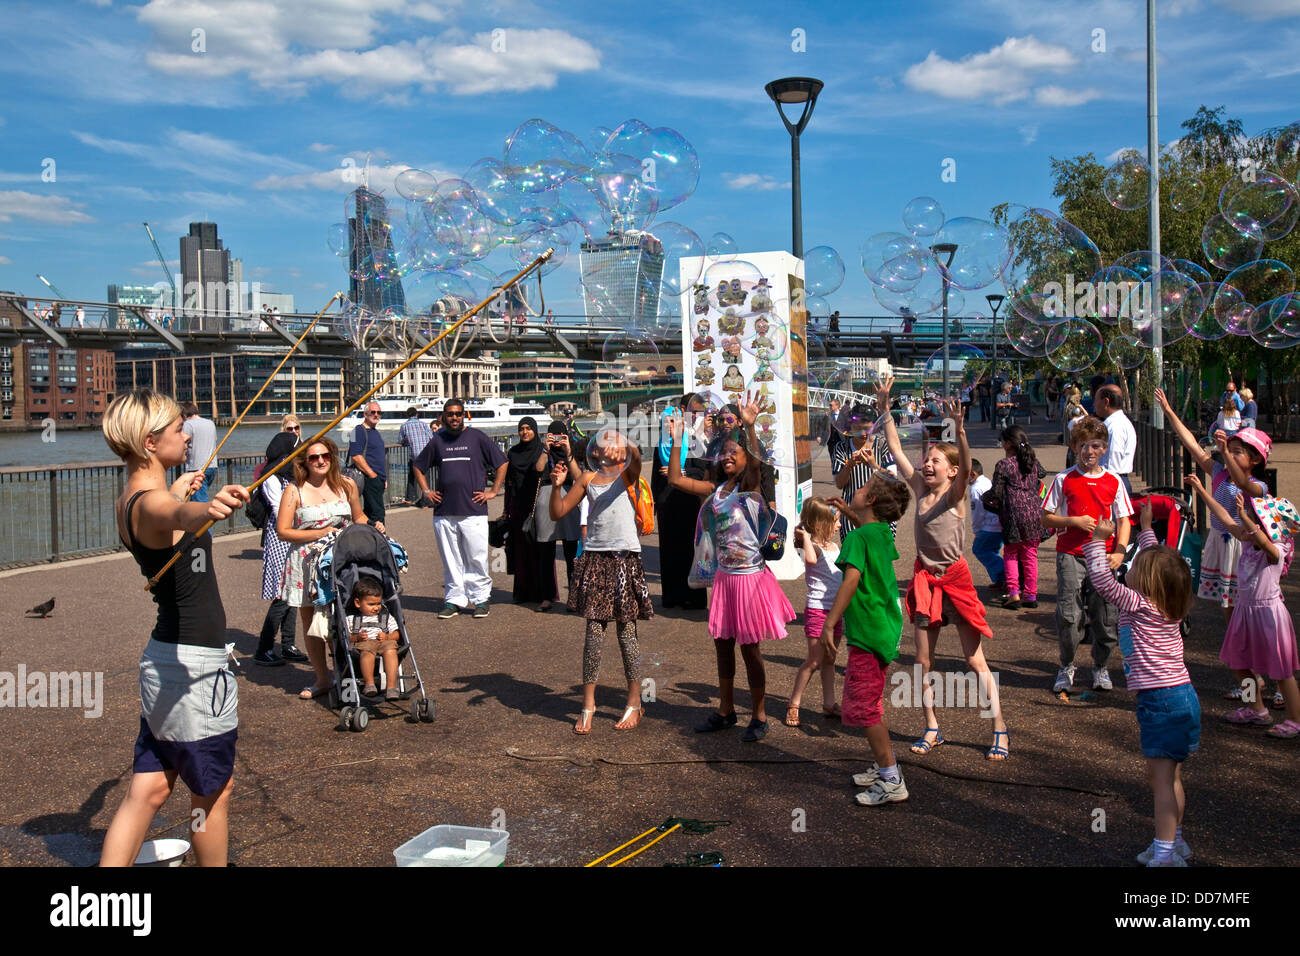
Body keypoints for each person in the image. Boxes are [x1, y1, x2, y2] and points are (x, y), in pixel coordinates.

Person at [98, 389, 249, 866]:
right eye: (178, 429)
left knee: (148, 789)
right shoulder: (152, 506)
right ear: (149, 442)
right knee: (211, 795)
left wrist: (186, 491)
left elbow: (167, 508)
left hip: (165, 661)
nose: (187, 434)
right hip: (193, 669)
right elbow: (171, 514)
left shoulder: (131, 498)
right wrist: (205, 507)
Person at [874, 376, 1009, 760]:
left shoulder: (955, 495)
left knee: (973, 659)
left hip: (956, 579)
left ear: (951, 472)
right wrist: (885, 408)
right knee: (921, 661)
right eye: (927, 459)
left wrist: (961, 433)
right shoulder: (918, 488)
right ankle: (932, 726)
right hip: (924, 579)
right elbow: (897, 447)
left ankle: (999, 725)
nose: (927, 464)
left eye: (936, 461)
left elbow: (966, 467)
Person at [667, 407, 795, 742]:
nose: (727, 457)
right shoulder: (715, 489)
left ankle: (760, 714)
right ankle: (725, 710)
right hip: (724, 578)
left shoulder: (751, 486)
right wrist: (678, 439)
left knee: (750, 648)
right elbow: (676, 480)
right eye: (723, 452)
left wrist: (750, 428)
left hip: (751, 579)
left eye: (733, 453)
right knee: (722, 646)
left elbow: (754, 465)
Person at [1084, 503, 1199, 866]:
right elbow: (1158, 560)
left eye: (1135, 570)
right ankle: (1174, 843)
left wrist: (1097, 542)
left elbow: (1102, 582)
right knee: (1171, 777)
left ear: (1147, 583)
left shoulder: (1138, 605)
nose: (1129, 571)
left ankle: (1165, 853)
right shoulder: (1167, 604)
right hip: (1181, 697)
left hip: (1162, 701)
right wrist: (1146, 527)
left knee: (1160, 782)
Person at [548, 429, 653, 733]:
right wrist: (556, 487)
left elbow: (636, 462)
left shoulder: (626, 475)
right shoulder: (587, 479)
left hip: (624, 559)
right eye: (607, 439)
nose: (613, 442)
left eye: (616, 439)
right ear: (595, 452)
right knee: (593, 634)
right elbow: (558, 513)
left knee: (627, 633)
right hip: (596, 558)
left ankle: (635, 702)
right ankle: (588, 704)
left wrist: (627, 444)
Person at [820, 473, 914, 805]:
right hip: (885, 630)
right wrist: (849, 512)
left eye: (861, 489)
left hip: (868, 635)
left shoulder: (858, 538)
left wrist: (830, 623)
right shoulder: (879, 533)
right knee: (871, 702)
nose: (854, 491)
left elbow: (851, 579)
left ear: (871, 501)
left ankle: (891, 778)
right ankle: (882, 764)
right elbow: (869, 534)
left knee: (864, 707)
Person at [1185, 481, 1300, 738]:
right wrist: (1202, 493)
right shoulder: (1249, 541)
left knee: (1283, 672)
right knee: (1239, 663)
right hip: (1245, 612)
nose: (1252, 525)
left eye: (1259, 520)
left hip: (1269, 615)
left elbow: (1264, 541)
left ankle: (1295, 720)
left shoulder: (1277, 550)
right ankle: (1255, 709)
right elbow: (1225, 519)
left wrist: (1246, 518)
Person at [1153, 388, 1267, 633]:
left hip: (1244, 545)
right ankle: (1234, 638)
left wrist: (1224, 450)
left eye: (1237, 452)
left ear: (1255, 460)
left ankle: (1249, 637)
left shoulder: (1257, 486)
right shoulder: (1219, 473)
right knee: (1227, 599)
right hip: (1219, 540)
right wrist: (1169, 411)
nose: (1228, 455)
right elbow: (1192, 444)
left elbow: (1246, 486)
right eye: (1228, 451)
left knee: (1246, 598)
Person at [277, 437, 376, 699]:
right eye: (313, 457)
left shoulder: (346, 485)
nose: (320, 461)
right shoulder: (294, 491)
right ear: (304, 462)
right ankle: (322, 678)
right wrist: (318, 533)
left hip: (341, 558)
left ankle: (348, 674)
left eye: (325, 456)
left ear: (331, 457)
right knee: (312, 624)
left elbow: (358, 516)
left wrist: (372, 524)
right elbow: (283, 531)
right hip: (307, 562)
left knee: (343, 618)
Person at [1042, 416, 1133, 694]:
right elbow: (1046, 517)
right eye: (1084, 446)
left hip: (1104, 557)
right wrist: (1073, 521)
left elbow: (1124, 520)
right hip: (1070, 553)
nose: (1090, 452)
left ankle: (1101, 667)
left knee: (1106, 615)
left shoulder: (1113, 481)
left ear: (1104, 448)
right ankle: (1067, 664)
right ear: (1074, 447)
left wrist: (1120, 552)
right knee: (1069, 614)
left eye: (1095, 446)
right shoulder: (1064, 479)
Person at [412, 398, 508, 619]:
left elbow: (502, 463)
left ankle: (481, 599)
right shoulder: (437, 440)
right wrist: (427, 491)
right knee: (451, 559)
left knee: (477, 557)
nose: (454, 418)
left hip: (473, 510)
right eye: (450, 414)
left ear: (463, 415)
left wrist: (493, 491)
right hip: (444, 512)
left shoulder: (477, 437)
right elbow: (418, 466)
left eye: (458, 414)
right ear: (443, 416)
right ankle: (454, 600)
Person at [785, 497, 844, 726]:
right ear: (820, 524)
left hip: (836, 611)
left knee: (830, 659)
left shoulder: (835, 547)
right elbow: (810, 559)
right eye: (835, 521)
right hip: (818, 611)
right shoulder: (815, 548)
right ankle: (794, 703)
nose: (839, 525)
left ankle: (829, 704)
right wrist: (807, 537)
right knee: (813, 661)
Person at [253, 430, 308, 666]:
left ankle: (288, 645)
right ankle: (264, 647)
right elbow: (279, 510)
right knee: (281, 594)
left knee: (293, 591)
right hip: (279, 537)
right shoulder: (271, 478)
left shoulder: (289, 477)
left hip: (292, 535)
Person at [653, 394, 709, 610]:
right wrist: (655, 501)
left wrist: (680, 471)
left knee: (690, 549)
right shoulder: (662, 442)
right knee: (668, 550)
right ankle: (672, 596)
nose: (669, 424)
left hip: (689, 499)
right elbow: (656, 474)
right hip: (667, 500)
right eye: (667, 421)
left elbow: (702, 471)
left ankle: (693, 598)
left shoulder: (695, 440)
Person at [990, 426, 1048, 610]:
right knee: (1030, 555)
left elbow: (996, 492)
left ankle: (1014, 593)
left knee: (1011, 553)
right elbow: (1042, 474)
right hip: (1033, 511)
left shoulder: (1003, 465)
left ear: (1007, 444)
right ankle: (1030, 594)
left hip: (1013, 514)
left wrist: (984, 498)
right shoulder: (1033, 461)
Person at [505, 416, 557, 609]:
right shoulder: (513, 453)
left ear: (535, 430)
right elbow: (509, 483)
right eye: (521, 429)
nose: (524, 432)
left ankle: (546, 593)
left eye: (528, 428)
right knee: (521, 551)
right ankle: (522, 592)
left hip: (539, 505)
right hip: (518, 506)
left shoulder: (542, 451)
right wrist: (506, 509)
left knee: (542, 550)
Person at [534, 422, 583, 609]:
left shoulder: (571, 452)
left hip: (569, 499)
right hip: (546, 501)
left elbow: (578, 477)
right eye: (552, 436)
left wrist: (568, 449)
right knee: (546, 553)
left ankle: (573, 597)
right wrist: (546, 450)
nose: (556, 440)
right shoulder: (543, 452)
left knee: (572, 553)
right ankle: (547, 596)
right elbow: (538, 469)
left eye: (560, 435)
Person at [830, 410, 897, 542]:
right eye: (858, 429)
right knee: (854, 557)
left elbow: (893, 479)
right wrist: (849, 466)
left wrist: (873, 465)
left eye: (867, 429)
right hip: (851, 513)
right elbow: (839, 483)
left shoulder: (882, 444)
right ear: (850, 428)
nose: (863, 433)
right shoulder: (841, 448)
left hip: (881, 511)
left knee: (879, 557)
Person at [346, 577, 402, 700]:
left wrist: (388, 636)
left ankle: (391, 687)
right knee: (367, 653)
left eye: (378, 603)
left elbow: (397, 634)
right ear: (357, 603)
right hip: (365, 643)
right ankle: (369, 684)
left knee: (391, 650)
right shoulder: (352, 619)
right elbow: (347, 637)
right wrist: (356, 637)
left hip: (384, 642)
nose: (376, 607)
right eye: (371, 604)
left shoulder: (386, 617)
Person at [968, 458, 1005, 596]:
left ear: (972, 474)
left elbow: (977, 514)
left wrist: (977, 532)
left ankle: (1005, 574)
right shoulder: (986, 481)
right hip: (998, 523)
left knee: (979, 549)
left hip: (990, 526)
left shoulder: (976, 489)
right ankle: (1000, 579)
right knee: (991, 551)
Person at [349, 401, 387, 526]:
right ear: (365, 414)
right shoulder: (357, 431)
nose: (376, 415)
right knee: (378, 514)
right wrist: (372, 475)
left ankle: (368, 540)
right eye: (373, 412)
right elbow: (356, 456)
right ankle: (381, 541)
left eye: (379, 412)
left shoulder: (375, 432)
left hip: (377, 479)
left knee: (370, 513)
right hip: (368, 479)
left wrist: (383, 479)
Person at [180, 402, 218, 503]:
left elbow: (182, 442)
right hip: (212, 466)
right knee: (198, 496)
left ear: (184, 415)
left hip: (196, 468)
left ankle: (203, 518)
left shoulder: (187, 424)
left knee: (198, 501)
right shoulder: (210, 423)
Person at [399, 406, 434, 507]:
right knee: (425, 477)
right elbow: (431, 437)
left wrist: (406, 442)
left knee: (412, 476)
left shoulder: (404, 426)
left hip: (415, 455)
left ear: (407, 415)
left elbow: (400, 440)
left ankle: (412, 498)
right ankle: (425, 499)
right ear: (417, 414)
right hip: (426, 454)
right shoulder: (423, 424)